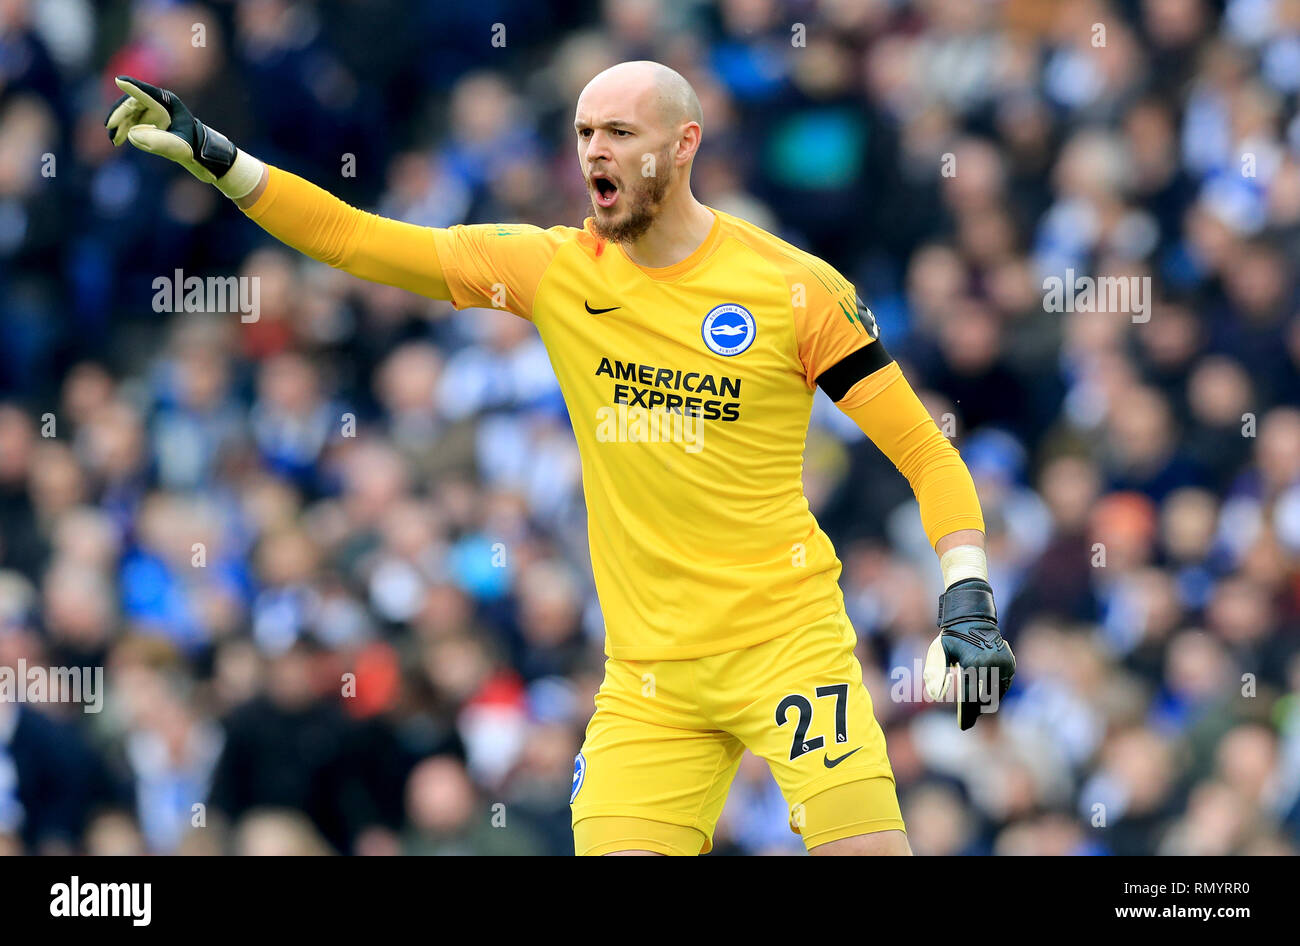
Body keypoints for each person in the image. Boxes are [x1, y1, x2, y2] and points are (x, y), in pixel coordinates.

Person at [105, 60, 1015, 856]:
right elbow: (360, 239)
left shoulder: (795, 290)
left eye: (621, 132)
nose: (596, 154)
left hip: (788, 649)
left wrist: (965, 586)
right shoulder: (553, 269)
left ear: (685, 143)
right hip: (649, 677)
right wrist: (225, 162)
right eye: (584, 134)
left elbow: (926, 453)